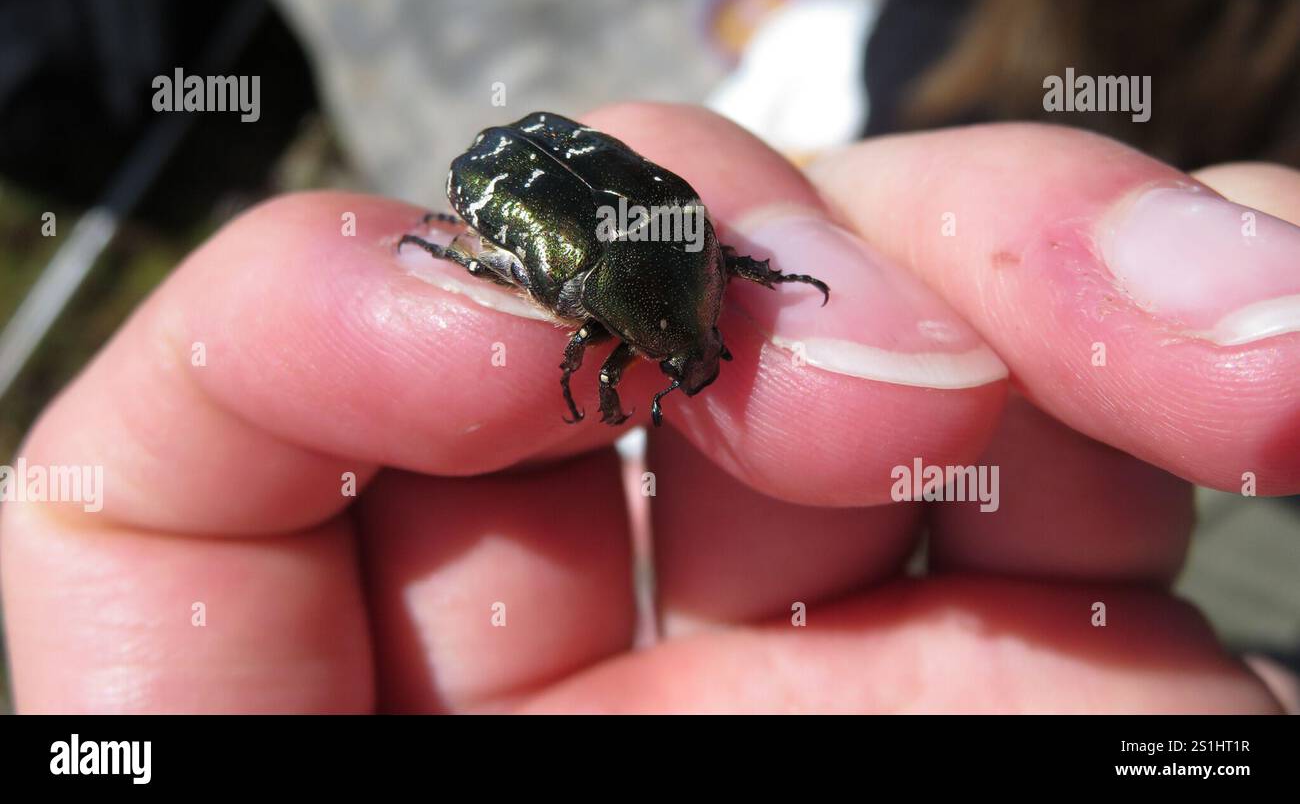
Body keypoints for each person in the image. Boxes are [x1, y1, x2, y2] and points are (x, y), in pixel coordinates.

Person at [3, 103, 1296, 713]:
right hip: (541, 196)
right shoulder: (627, 317)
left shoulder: (660, 301)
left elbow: (679, 281)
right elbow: (628, 310)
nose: (684, 378)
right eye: (669, 367)